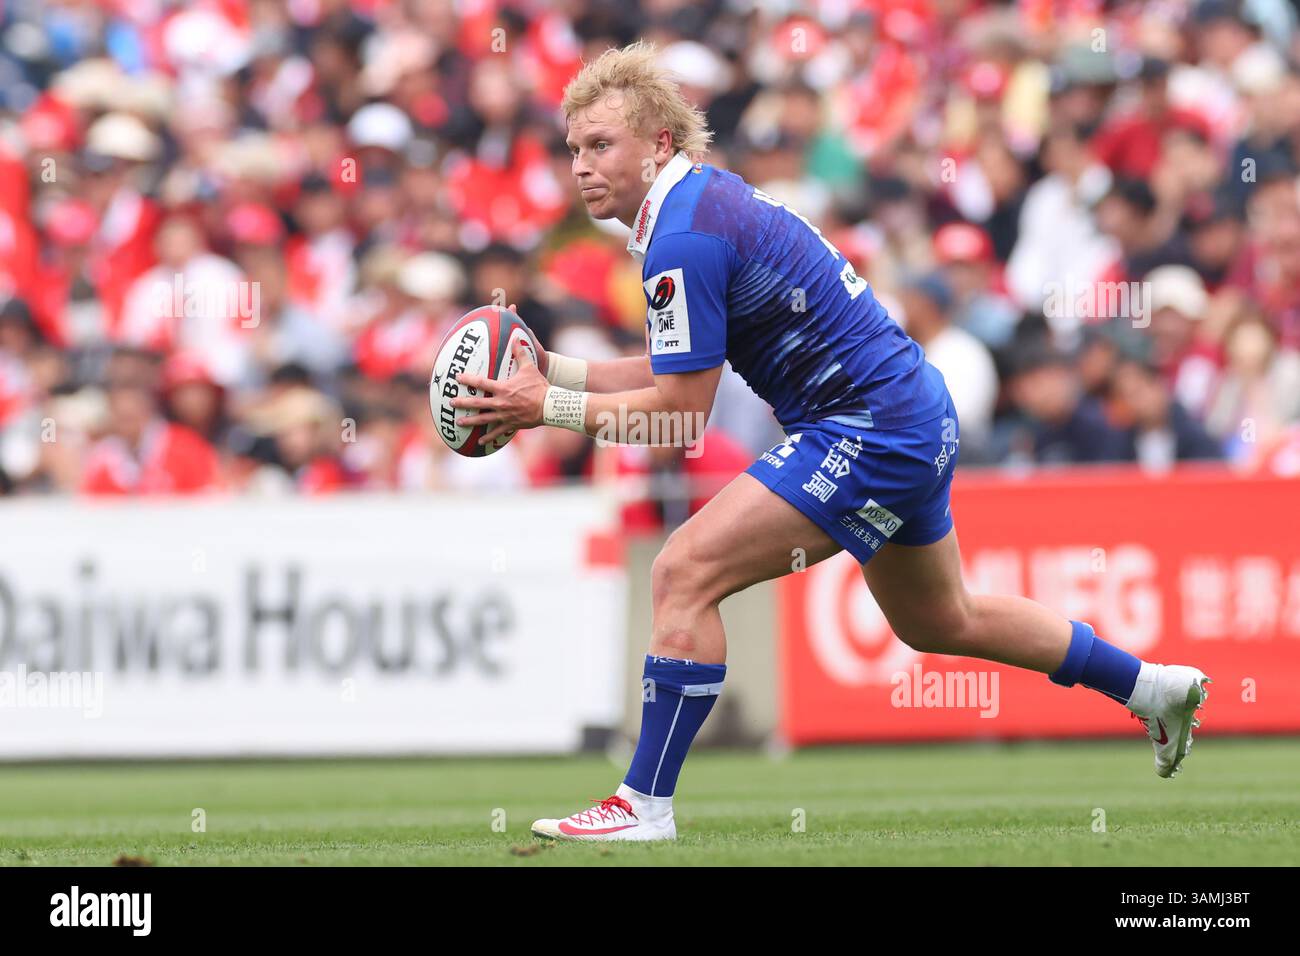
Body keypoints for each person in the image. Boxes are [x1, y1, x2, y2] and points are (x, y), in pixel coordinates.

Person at [451, 43, 1212, 842]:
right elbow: (677, 364)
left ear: (660, 145)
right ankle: (1152, 687)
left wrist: (549, 409)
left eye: (601, 145)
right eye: (573, 148)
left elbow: (679, 411)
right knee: (940, 619)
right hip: (911, 412)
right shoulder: (697, 207)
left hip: (867, 426)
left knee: (683, 571)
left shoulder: (681, 235)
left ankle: (644, 805)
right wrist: (556, 370)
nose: (581, 165)